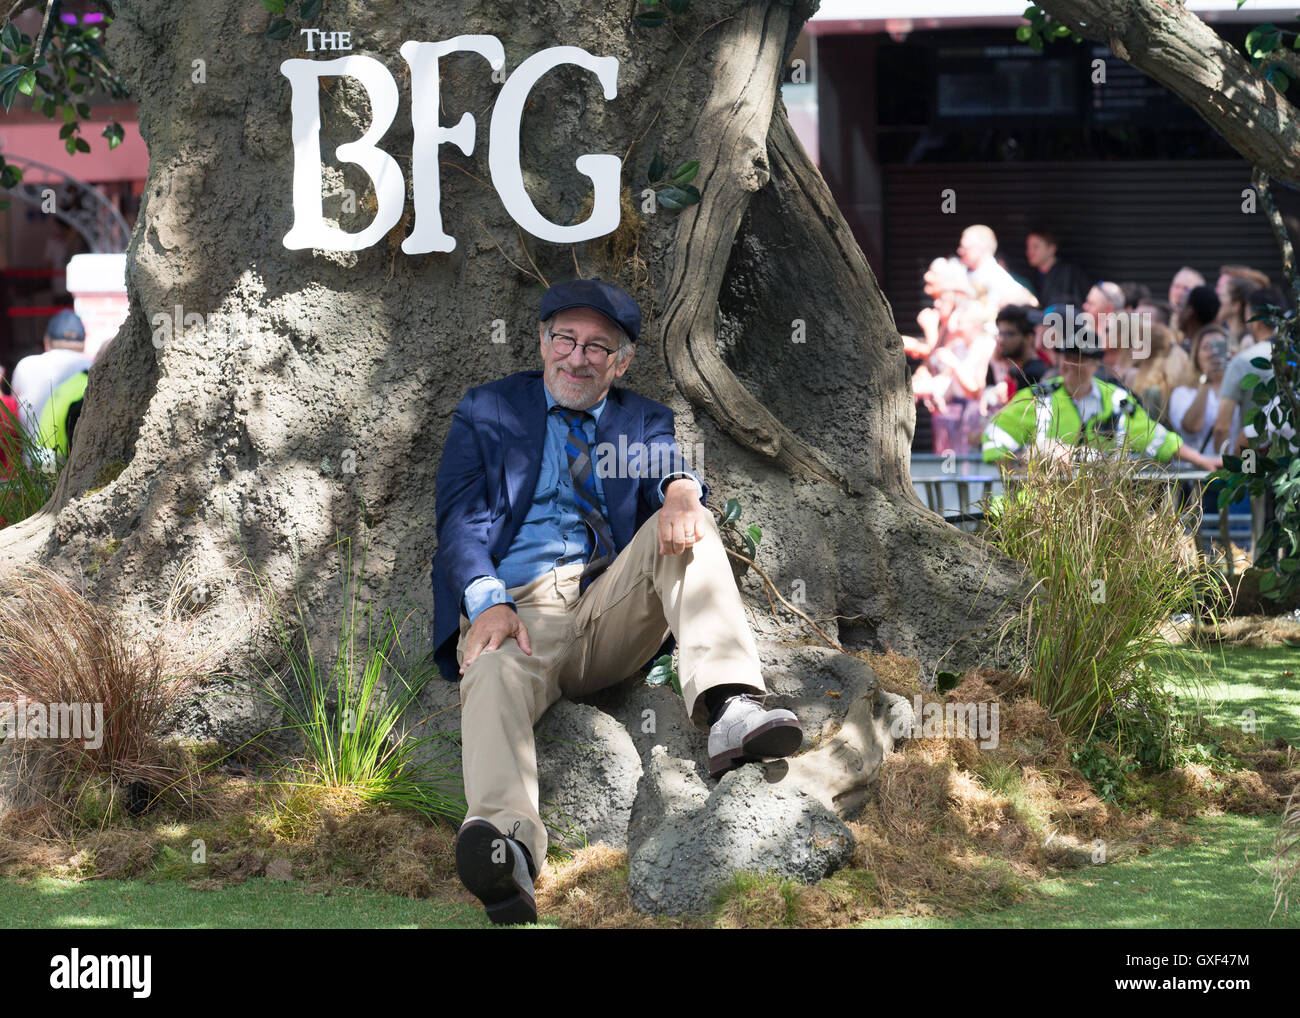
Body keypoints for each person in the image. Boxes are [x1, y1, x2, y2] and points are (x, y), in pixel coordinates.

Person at [432, 278, 803, 924]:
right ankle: (509, 849)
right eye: (565, 340)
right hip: (516, 612)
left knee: (687, 526)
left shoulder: (640, 417)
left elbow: (664, 458)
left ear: (621, 362)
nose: (577, 358)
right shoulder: (487, 410)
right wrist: (486, 600)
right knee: (488, 665)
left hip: (609, 604)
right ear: (542, 342)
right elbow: (459, 521)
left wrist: (683, 489)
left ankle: (732, 707)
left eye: (597, 348)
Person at [982, 324, 1221, 471]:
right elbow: (995, 437)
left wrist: (1201, 460)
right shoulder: (1036, 398)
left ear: (1095, 364)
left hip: (1099, 518)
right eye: (1066, 356)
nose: (1071, 365)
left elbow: (1157, 438)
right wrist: (1020, 472)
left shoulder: (1116, 400)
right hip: (1042, 517)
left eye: (1080, 358)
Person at [10, 309, 92, 464]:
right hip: (77, 467)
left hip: (35, 467)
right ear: (83, 344)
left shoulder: (26, 365)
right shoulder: (93, 368)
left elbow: (14, 410)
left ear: (47, 341)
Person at [1212, 286, 1283, 457]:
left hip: (1251, 460)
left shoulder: (1244, 361)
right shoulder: (1292, 357)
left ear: (1254, 320)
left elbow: (1222, 426)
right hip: (1291, 463)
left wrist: (1225, 465)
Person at [957, 225, 1038, 310]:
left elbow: (1032, 303)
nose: (960, 251)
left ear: (981, 248)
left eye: (965, 247)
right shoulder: (965, 273)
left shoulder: (997, 276)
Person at [1025, 227, 1089, 309]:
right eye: (1028, 247)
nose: (1030, 252)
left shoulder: (1069, 274)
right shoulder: (1032, 276)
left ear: (1052, 249)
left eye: (1036, 247)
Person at [1214, 266, 1270, 353]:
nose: (1218, 299)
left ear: (1236, 305)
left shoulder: (1248, 341)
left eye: (1223, 295)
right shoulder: (1221, 334)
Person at [995, 305, 1048, 391]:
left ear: (1029, 338)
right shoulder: (1019, 372)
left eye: (1009, 334)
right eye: (1000, 333)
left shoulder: (1032, 375)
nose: (1001, 340)